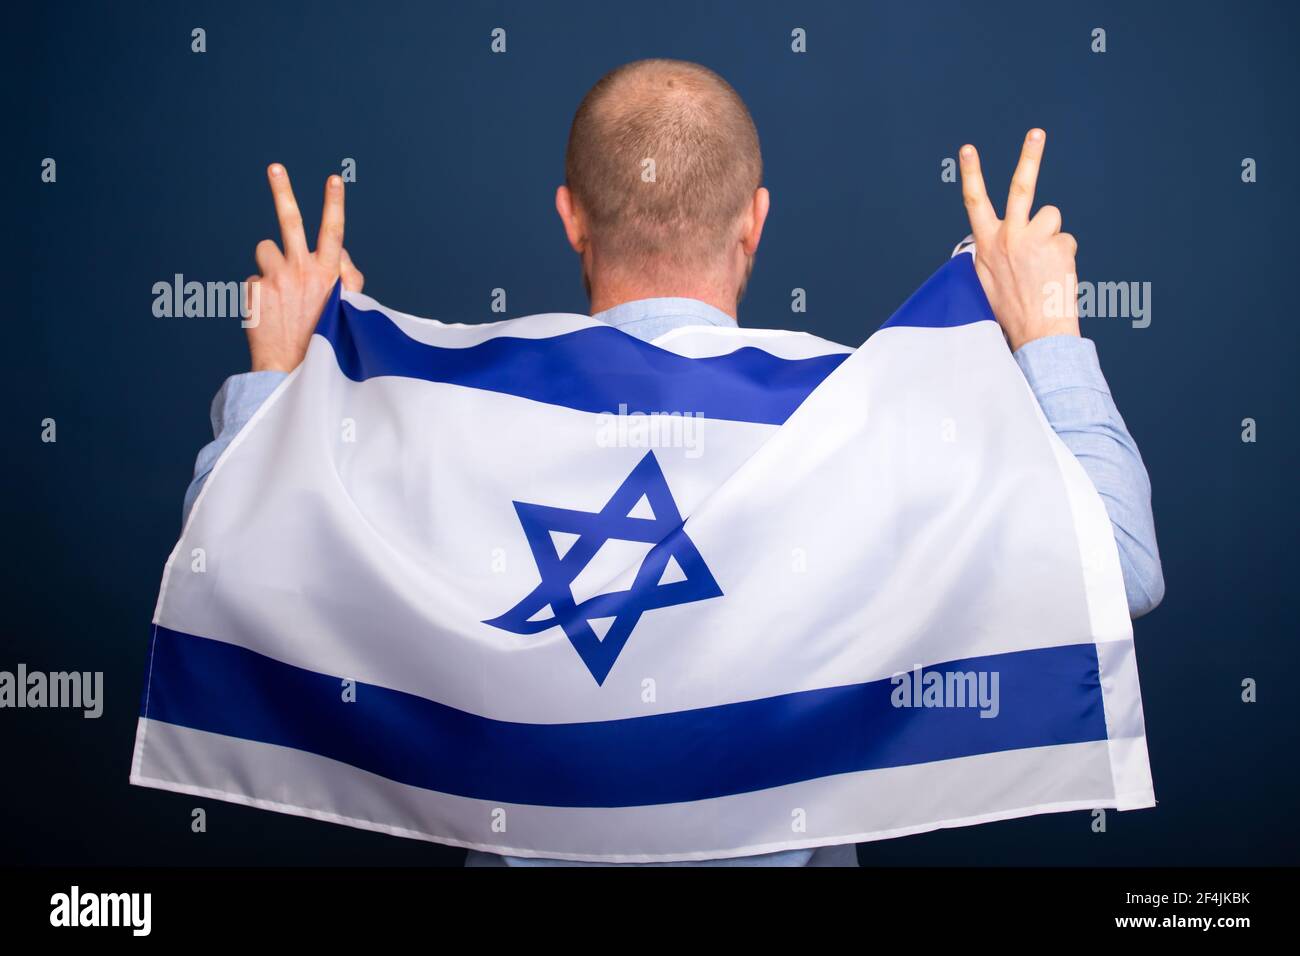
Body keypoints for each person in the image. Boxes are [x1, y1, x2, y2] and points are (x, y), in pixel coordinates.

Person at [181, 59, 1164, 867]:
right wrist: (1046, 330)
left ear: (570, 215)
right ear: (754, 219)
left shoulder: (443, 414)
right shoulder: (856, 415)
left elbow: (232, 577)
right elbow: (1116, 564)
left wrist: (292, 377)